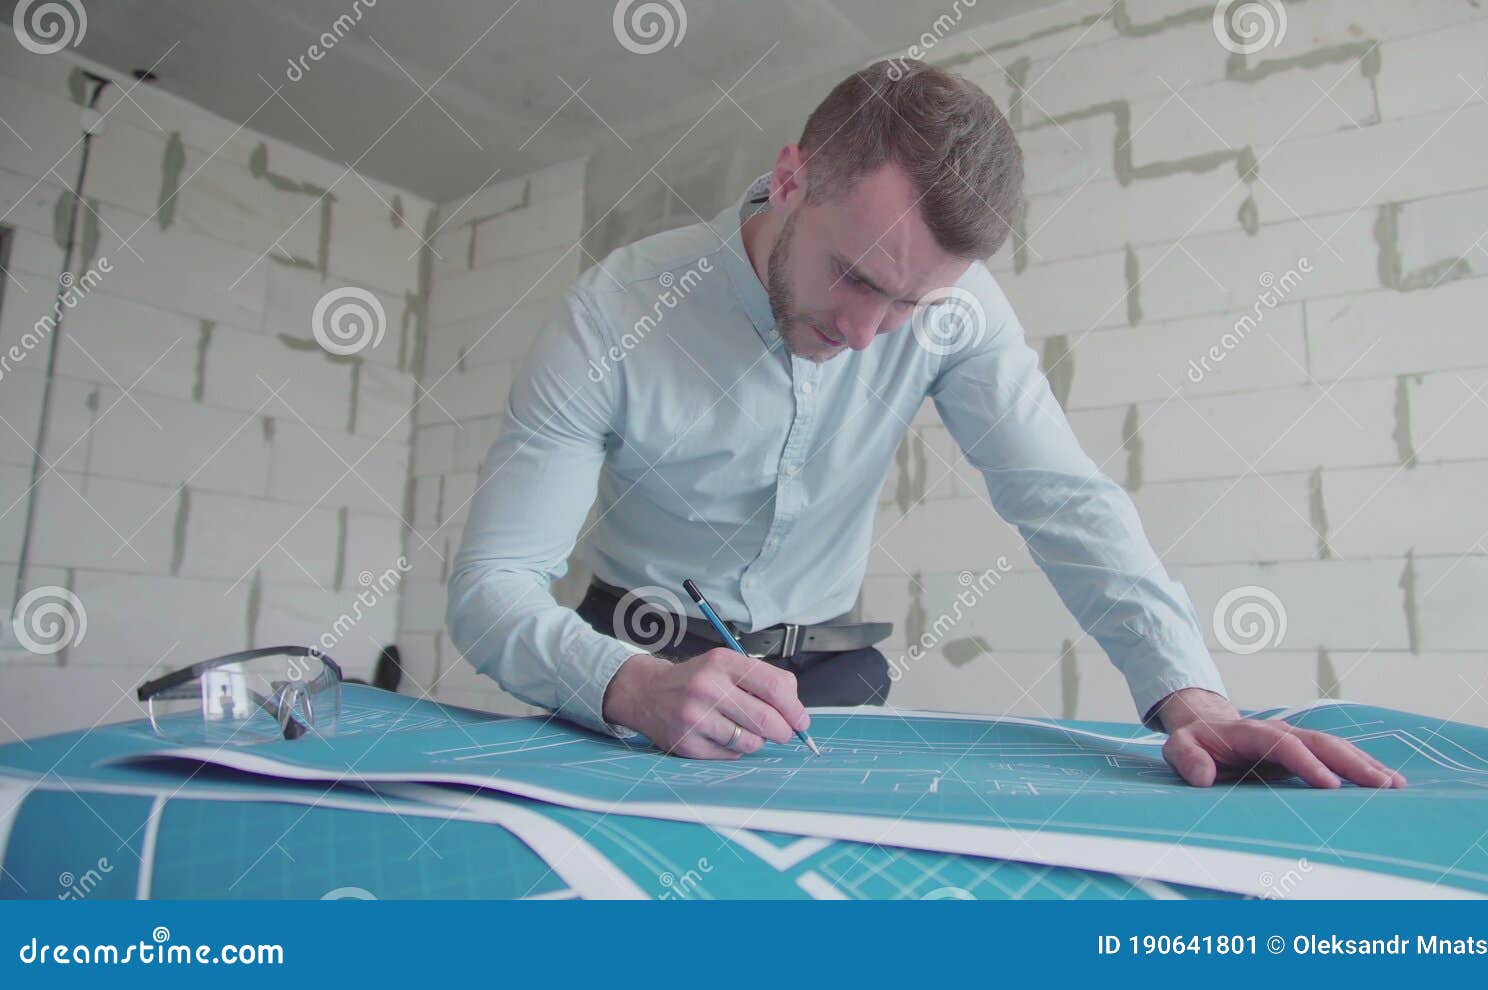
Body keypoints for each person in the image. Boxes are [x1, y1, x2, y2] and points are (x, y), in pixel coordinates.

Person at [446, 59, 1405, 789]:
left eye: (908, 303)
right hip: (630, 648)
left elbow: (1063, 499)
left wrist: (1192, 699)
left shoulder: (961, 308)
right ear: (790, 179)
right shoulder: (617, 311)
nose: (867, 335)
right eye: (855, 277)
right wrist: (625, 685)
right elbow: (493, 585)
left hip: (824, 671)